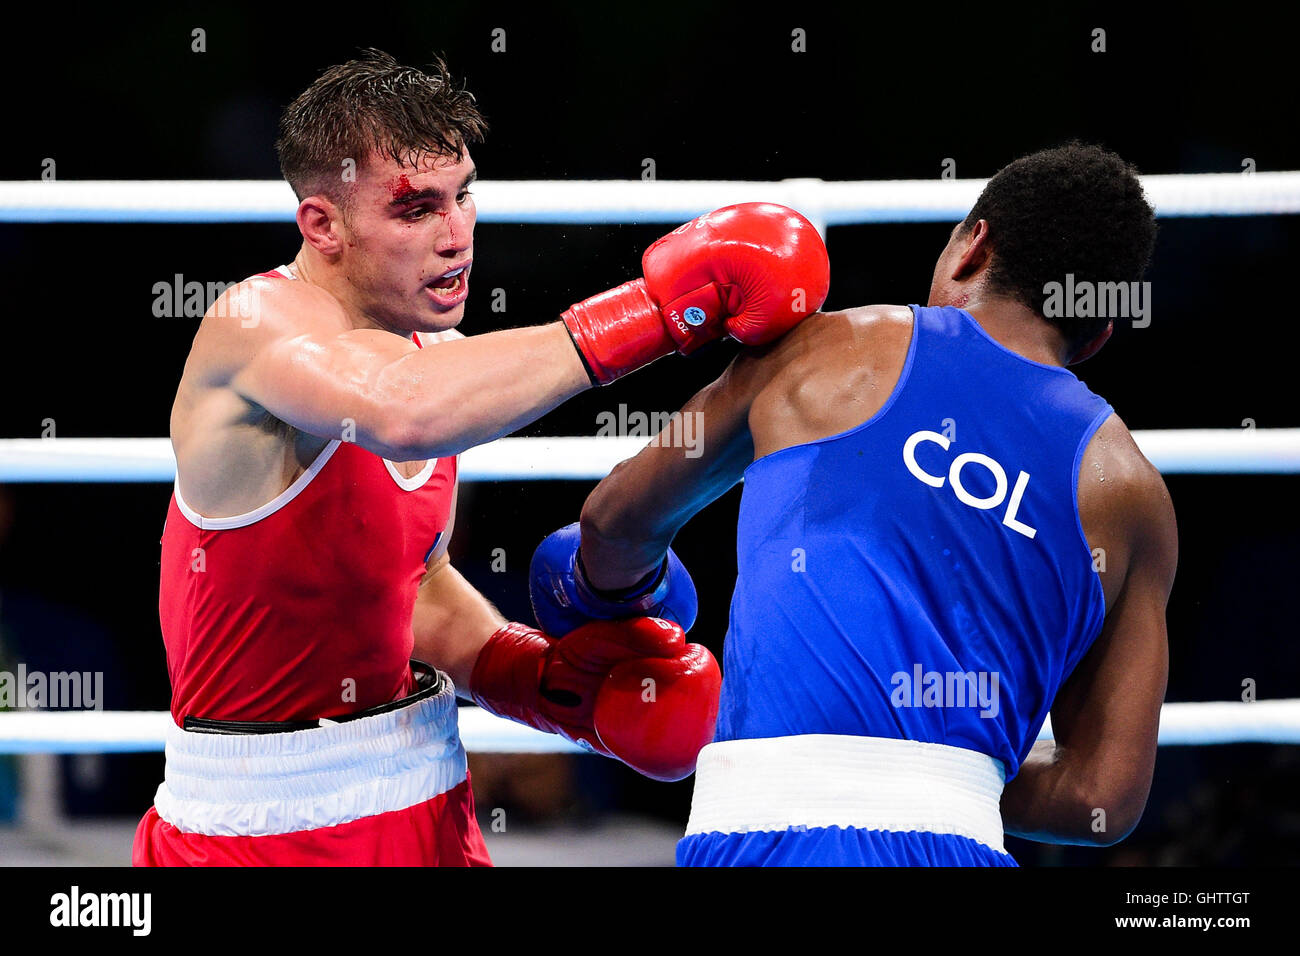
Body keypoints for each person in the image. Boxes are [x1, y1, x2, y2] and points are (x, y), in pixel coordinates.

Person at [131, 50, 830, 866]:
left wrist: (536, 680)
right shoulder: (255, 322)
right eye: (415, 209)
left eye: (462, 195)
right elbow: (404, 410)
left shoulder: (440, 357)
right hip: (249, 828)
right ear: (323, 226)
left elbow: (413, 584)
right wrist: (663, 308)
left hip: (424, 796)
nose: (454, 233)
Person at [534, 142, 1178, 866]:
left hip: (762, 830)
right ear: (1097, 334)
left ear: (974, 247)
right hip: (962, 844)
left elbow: (615, 520)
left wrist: (611, 601)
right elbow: (1102, 798)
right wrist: (941, 780)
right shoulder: (1130, 491)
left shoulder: (828, 349)